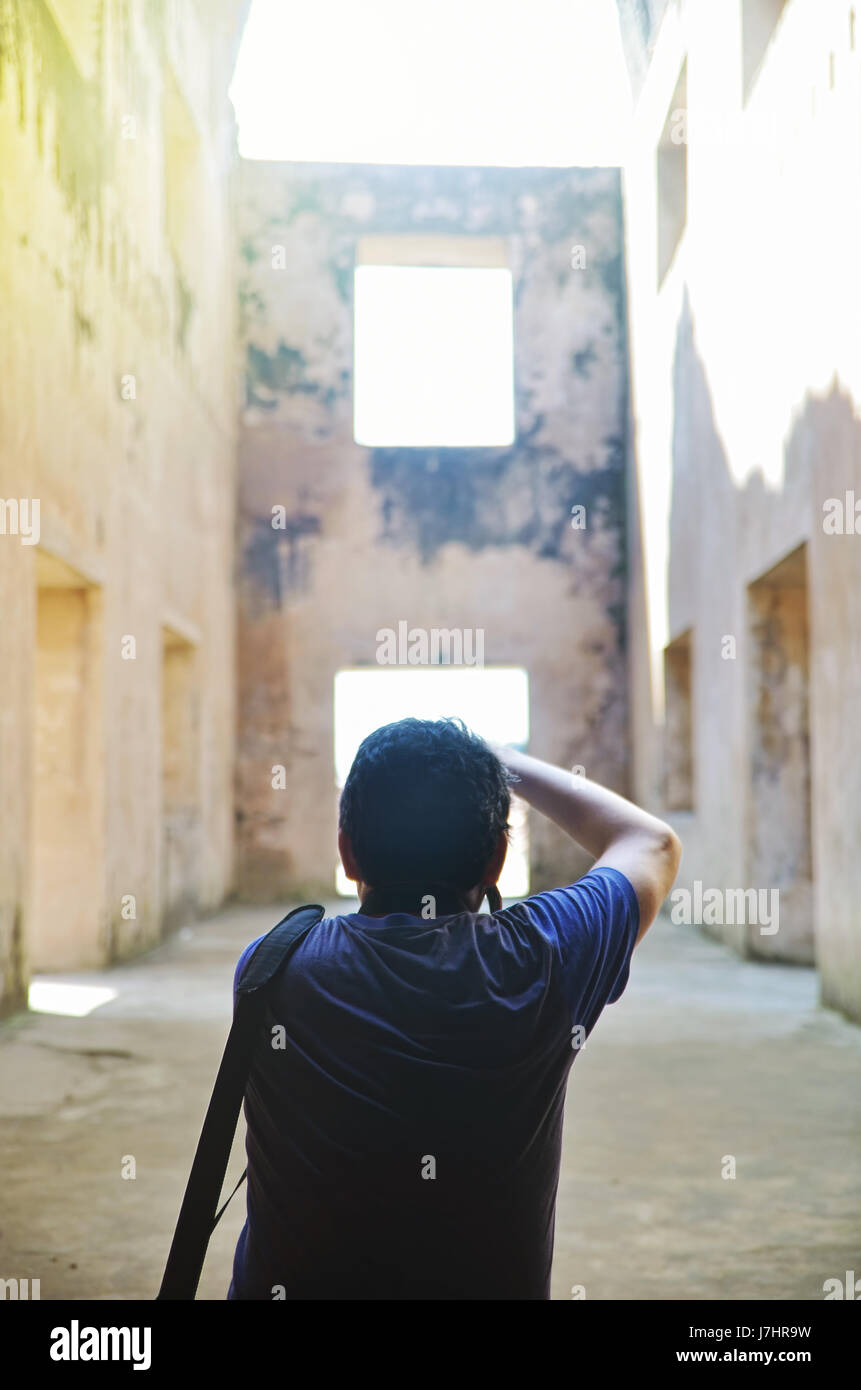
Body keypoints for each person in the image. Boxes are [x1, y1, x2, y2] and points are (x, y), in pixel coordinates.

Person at [228, 716, 681, 1300]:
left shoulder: (272, 967)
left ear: (347, 853)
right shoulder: (542, 960)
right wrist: (505, 764)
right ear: (496, 860)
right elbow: (651, 843)